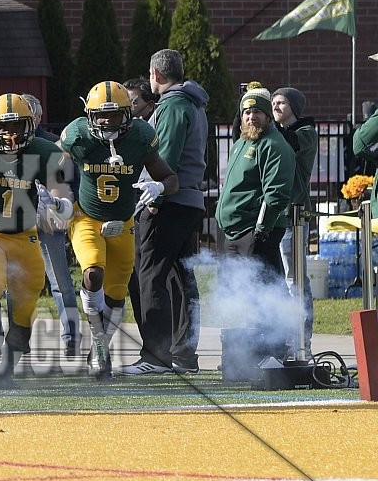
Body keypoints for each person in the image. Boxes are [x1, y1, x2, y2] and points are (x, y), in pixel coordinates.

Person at [58, 81, 178, 378]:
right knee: (93, 272)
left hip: (124, 221)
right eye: (101, 115)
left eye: (114, 115)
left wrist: (159, 186)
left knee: (115, 294)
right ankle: (98, 339)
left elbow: (170, 178)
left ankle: (100, 346)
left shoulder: (140, 137)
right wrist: (59, 198)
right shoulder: (78, 136)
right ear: (90, 115)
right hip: (86, 217)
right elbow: (53, 168)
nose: (107, 122)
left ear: (128, 113)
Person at [0, 93, 70, 384]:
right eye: (3, 127)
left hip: (24, 235)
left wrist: (58, 204)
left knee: (26, 302)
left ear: (30, 126)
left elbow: (58, 188)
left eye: (16, 126)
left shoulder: (43, 150)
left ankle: (7, 368)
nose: (10, 134)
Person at [121, 50, 208, 376]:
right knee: (181, 278)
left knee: (149, 276)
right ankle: (183, 353)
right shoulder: (194, 103)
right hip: (188, 200)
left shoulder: (172, 105)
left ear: (156, 74)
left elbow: (166, 158)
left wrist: (155, 197)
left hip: (167, 200)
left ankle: (155, 356)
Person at [214, 87, 294, 282]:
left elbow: (276, 193)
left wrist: (261, 229)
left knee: (262, 291)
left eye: (257, 111)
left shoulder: (274, 145)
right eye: (247, 112)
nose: (251, 117)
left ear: (268, 115)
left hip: (255, 231)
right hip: (232, 231)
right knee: (234, 290)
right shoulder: (241, 143)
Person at [22, 93, 80, 358]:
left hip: (48, 218)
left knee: (60, 281)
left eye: (29, 114)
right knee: (19, 281)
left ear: (38, 116)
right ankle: (20, 336)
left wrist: (62, 208)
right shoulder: (5, 143)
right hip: (19, 221)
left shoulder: (52, 145)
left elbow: (70, 182)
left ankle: (71, 336)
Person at [272, 86, 317, 355]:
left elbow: (289, 144)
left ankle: (302, 340)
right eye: (273, 102)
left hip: (294, 216)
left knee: (295, 280)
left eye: (281, 102)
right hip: (274, 217)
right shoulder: (275, 132)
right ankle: (282, 340)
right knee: (275, 280)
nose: (275, 107)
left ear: (295, 108)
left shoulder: (306, 132)